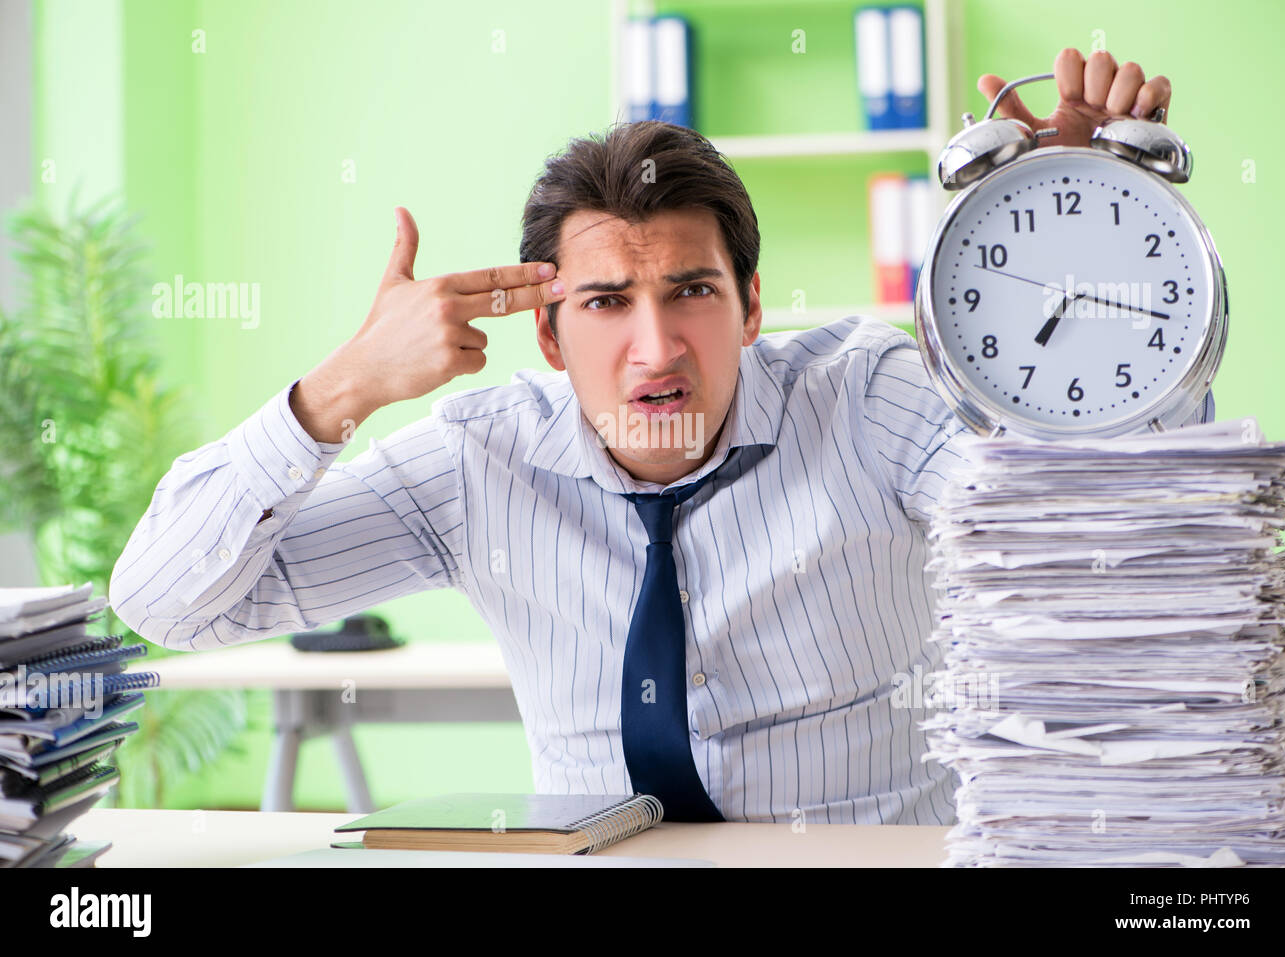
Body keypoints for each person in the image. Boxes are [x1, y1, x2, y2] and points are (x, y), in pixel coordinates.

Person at [110, 49, 1212, 824]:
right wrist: (340, 388)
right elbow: (163, 603)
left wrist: (1086, 218)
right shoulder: (476, 460)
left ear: (750, 304)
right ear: (546, 336)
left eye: (689, 290)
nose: (655, 348)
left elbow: (1107, 538)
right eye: (604, 304)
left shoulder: (868, 397)